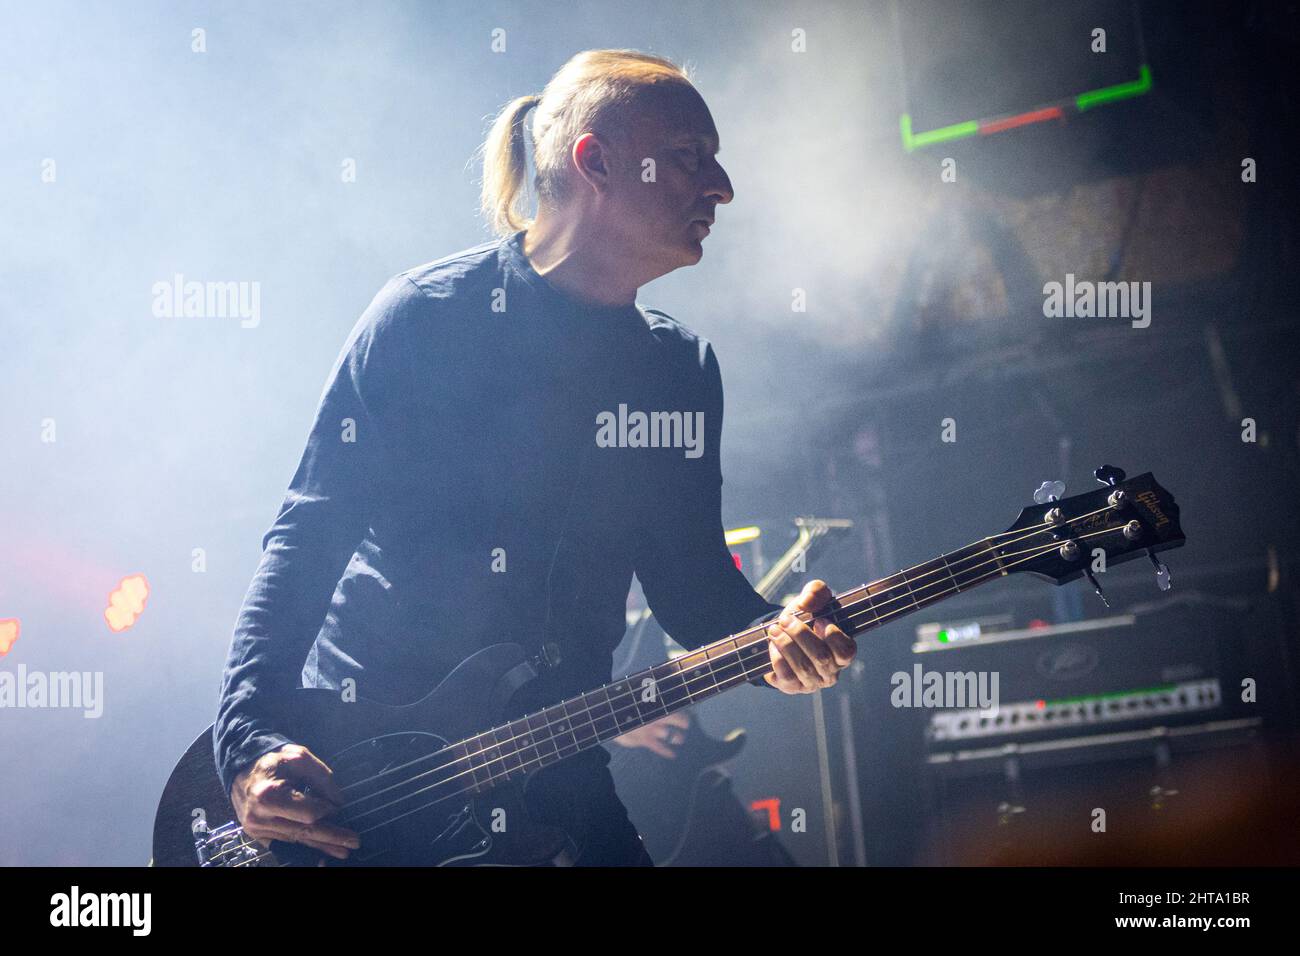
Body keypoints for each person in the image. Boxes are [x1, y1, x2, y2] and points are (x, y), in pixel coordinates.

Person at [214, 48, 856, 865]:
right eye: (693, 158)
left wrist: (782, 642)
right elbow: (307, 540)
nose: (722, 187)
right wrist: (246, 746)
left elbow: (694, 595)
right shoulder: (424, 319)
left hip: (554, 773)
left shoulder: (678, 371)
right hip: (365, 783)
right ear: (595, 159)